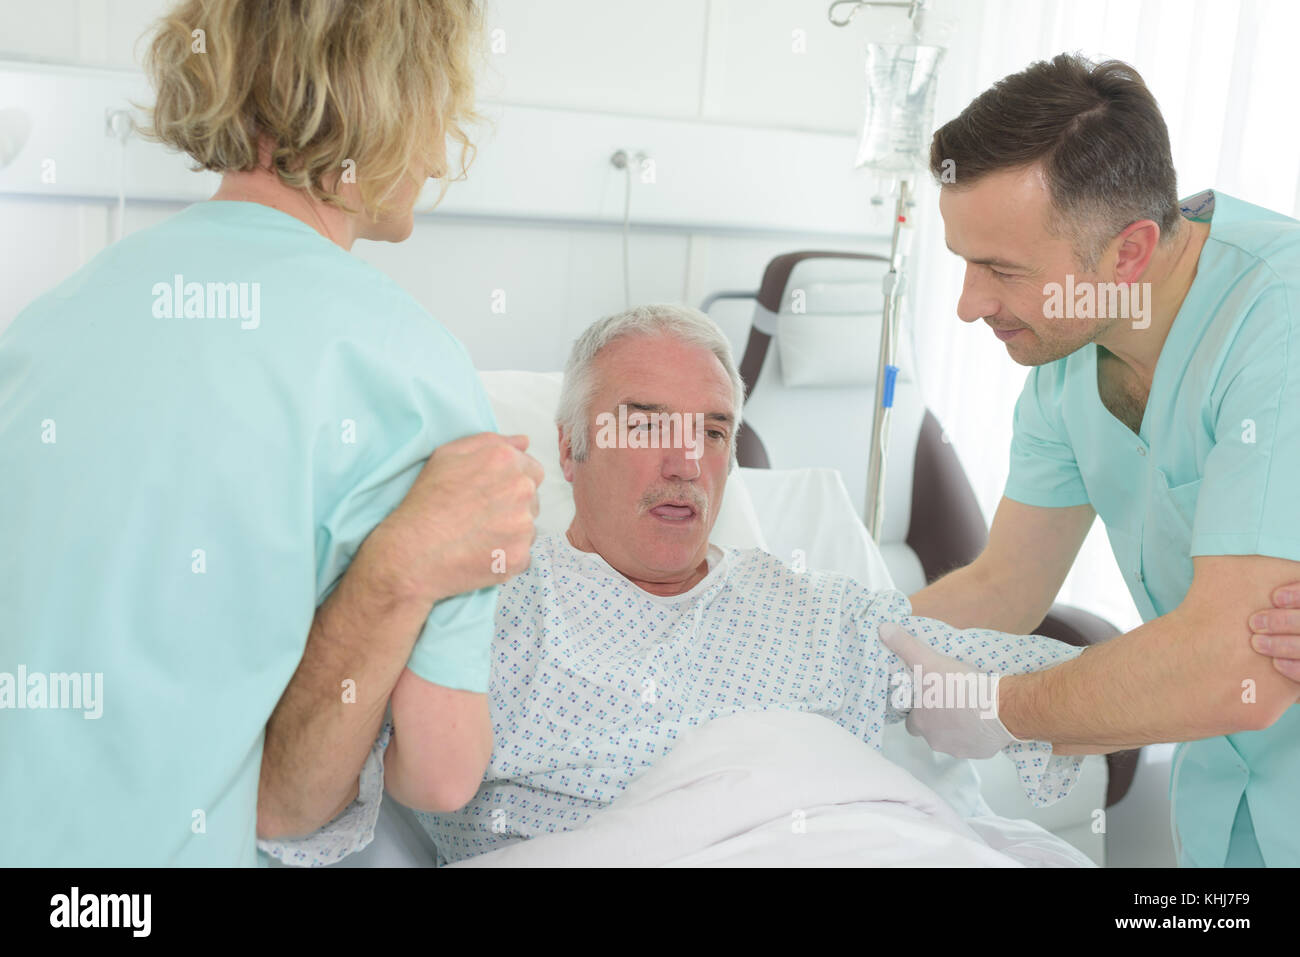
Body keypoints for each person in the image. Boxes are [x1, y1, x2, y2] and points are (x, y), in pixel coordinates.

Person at [261, 304, 1098, 867]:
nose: (685, 460)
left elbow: (1018, 675)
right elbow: (306, 792)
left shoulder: (814, 606)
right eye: (646, 423)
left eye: (713, 429)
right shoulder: (490, 604)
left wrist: (1153, 670)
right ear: (568, 449)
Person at [0, 0, 541, 865]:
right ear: (390, 101)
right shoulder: (413, 376)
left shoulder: (42, 325)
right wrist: (395, 575)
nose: (442, 155)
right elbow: (439, 774)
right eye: (439, 107)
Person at [898, 53, 1300, 867]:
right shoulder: (1066, 357)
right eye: (964, 261)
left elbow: (1232, 660)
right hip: (1233, 801)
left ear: (1127, 254)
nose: (969, 305)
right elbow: (1003, 583)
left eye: (1002, 270)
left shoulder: (1275, 325)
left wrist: (1006, 708)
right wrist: (853, 654)